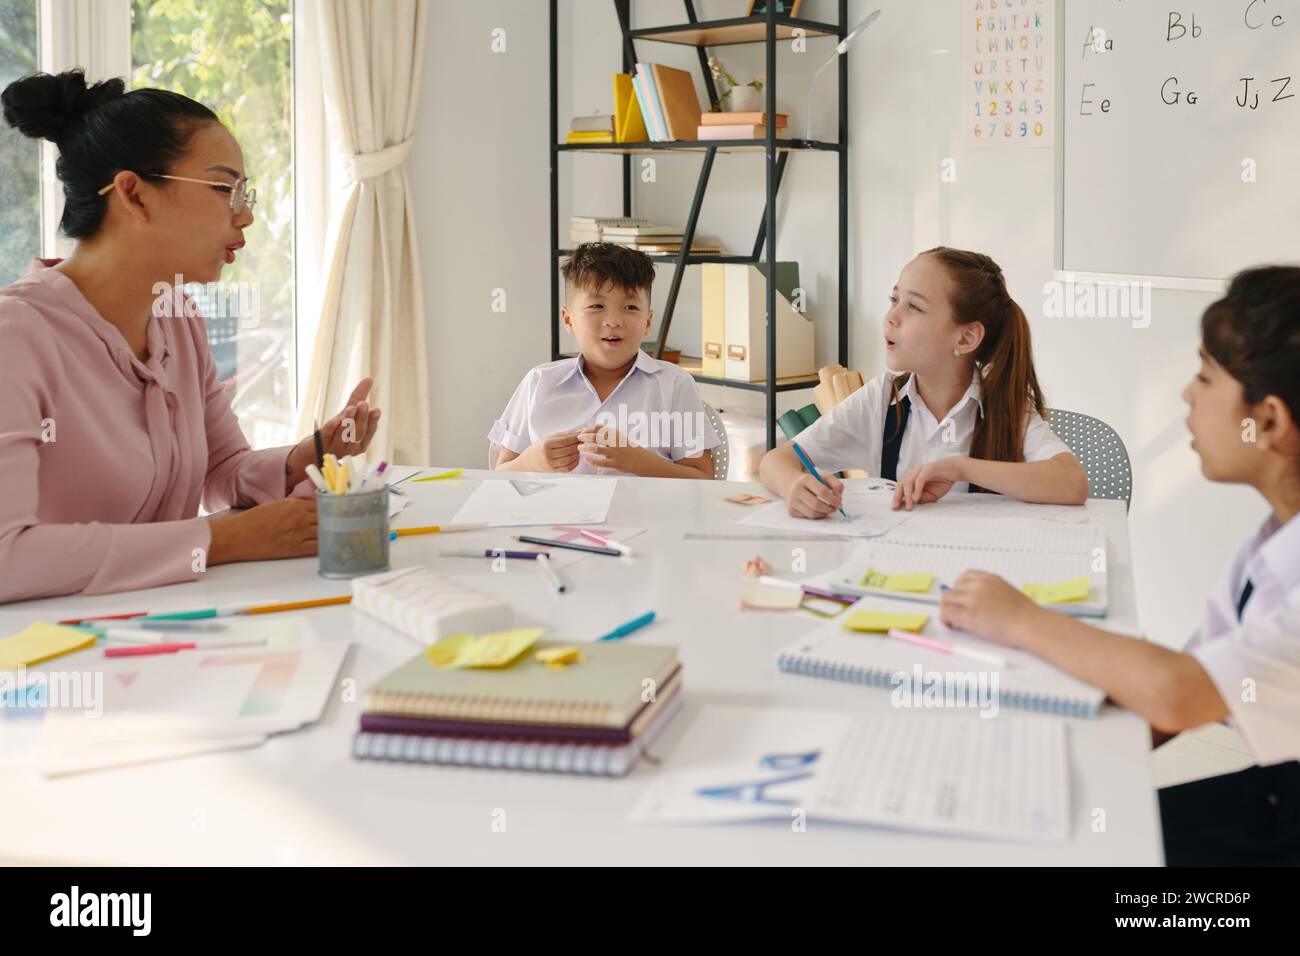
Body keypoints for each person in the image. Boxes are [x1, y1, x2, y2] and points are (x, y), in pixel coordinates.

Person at [940, 266, 1300, 864]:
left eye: (1206, 376)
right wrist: (1048, 755)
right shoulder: (1270, 540)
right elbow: (1185, 683)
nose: (1187, 394)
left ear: (1268, 421)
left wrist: (1020, 619)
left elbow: (1179, 694)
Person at [0, 69, 380, 602]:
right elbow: (7, 558)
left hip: (165, 628)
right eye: (225, 189)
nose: (245, 216)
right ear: (133, 193)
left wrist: (308, 454)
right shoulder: (15, 336)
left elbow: (222, 470)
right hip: (50, 657)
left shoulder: (176, 316)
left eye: (245, 193)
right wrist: (220, 540)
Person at [758, 247, 1089, 517]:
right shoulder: (881, 398)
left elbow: (1071, 483)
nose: (892, 316)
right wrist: (793, 487)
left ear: (966, 338)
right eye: (894, 300)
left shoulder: (1005, 406)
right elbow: (776, 461)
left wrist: (961, 468)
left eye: (914, 306)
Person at [490, 242, 719, 478]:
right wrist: (533, 461)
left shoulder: (675, 384)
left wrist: (640, 462)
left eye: (630, 307)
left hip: (646, 515)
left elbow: (702, 478)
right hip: (554, 514)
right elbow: (499, 474)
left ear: (647, 322)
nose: (613, 321)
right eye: (596, 306)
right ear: (568, 320)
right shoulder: (538, 382)